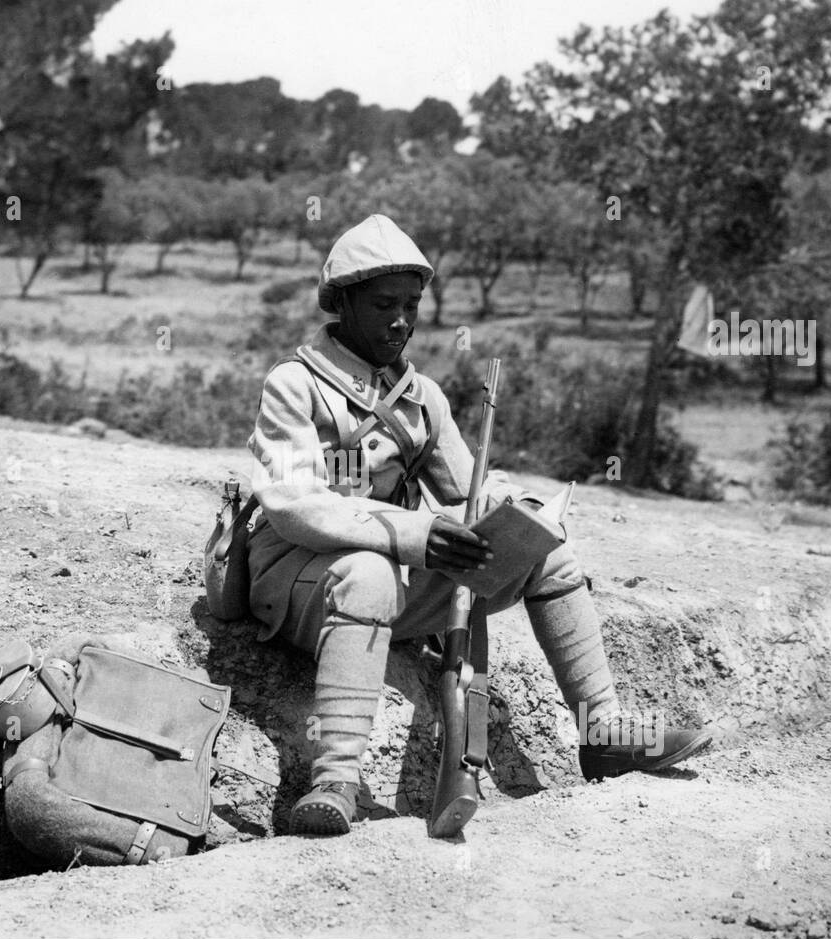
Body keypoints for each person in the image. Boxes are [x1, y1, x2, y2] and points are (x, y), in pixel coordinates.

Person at [245, 214, 711, 836]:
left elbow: (471, 491)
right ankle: (335, 782)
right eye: (384, 304)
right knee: (369, 571)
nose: (401, 321)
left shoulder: (421, 398)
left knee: (550, 557)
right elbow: (293, 503)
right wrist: (417, 535)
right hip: (292, 588)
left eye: (412, 305)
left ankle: (603, 731)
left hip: (379, 591)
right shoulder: (294, 385)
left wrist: (522, 513)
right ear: (342, 303)